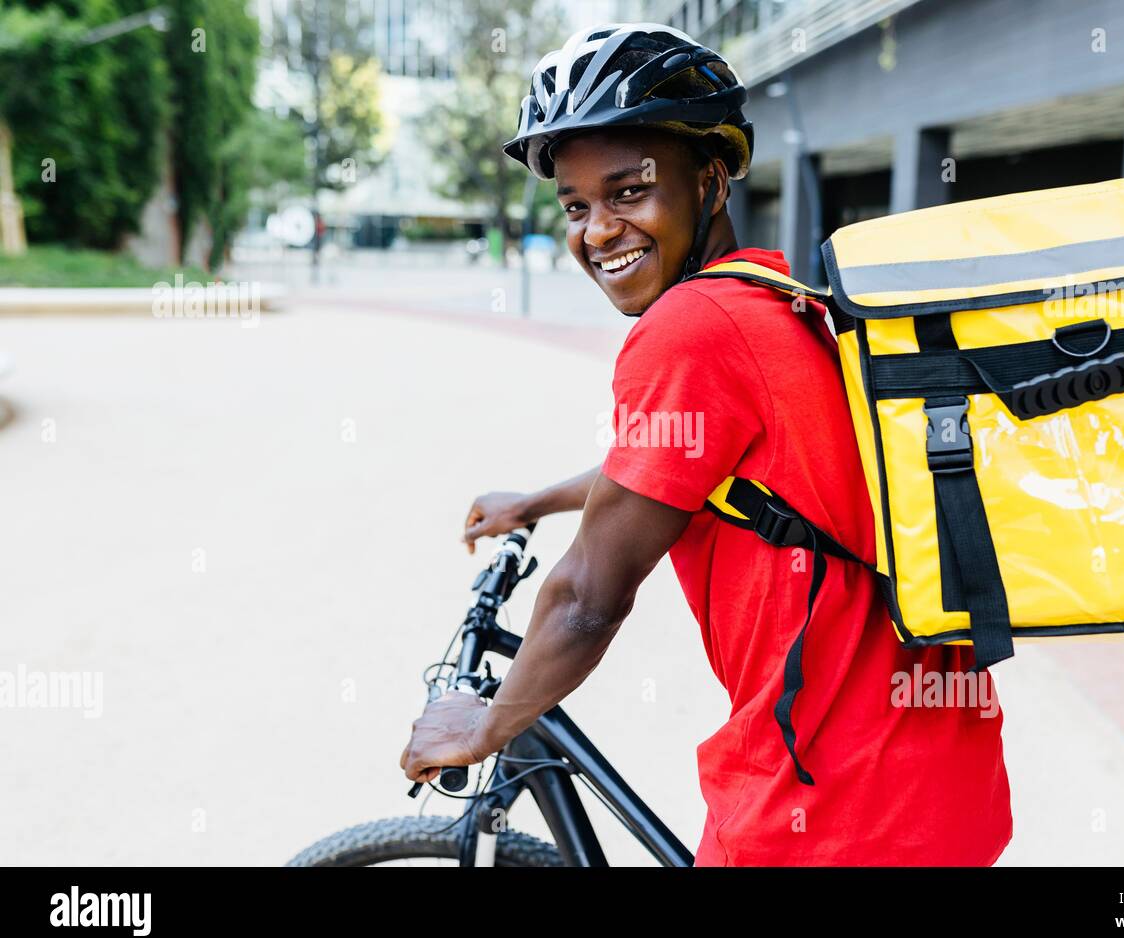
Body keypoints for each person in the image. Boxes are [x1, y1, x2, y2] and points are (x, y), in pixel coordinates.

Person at [400, 22, 1013, 866]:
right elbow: (688, 460)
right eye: (577, 206)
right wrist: (538, 500)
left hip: (828, 806)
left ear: (712, 179)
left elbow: (588, 596)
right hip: (933, 770)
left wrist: (490, 720)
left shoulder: (688, 329)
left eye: (628, 192)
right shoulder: (774, 297)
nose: (599, 230)